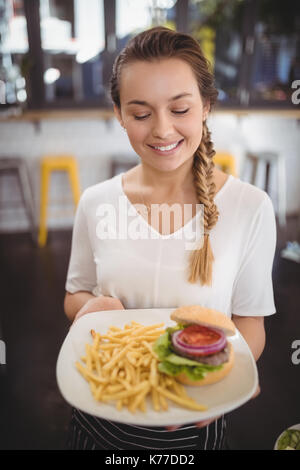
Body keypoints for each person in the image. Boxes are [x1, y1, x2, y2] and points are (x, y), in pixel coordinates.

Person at [63, 26, 276, 450]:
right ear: (119, 113)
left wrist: (233, 374)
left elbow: (250, 321)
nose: (162, 130)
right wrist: (90, 307)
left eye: (179, 109)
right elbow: (75, 294)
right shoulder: (96, 203)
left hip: (195, 425)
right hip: (100, 415)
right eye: (141, 114)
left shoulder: (250, 207)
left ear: (206, 107)